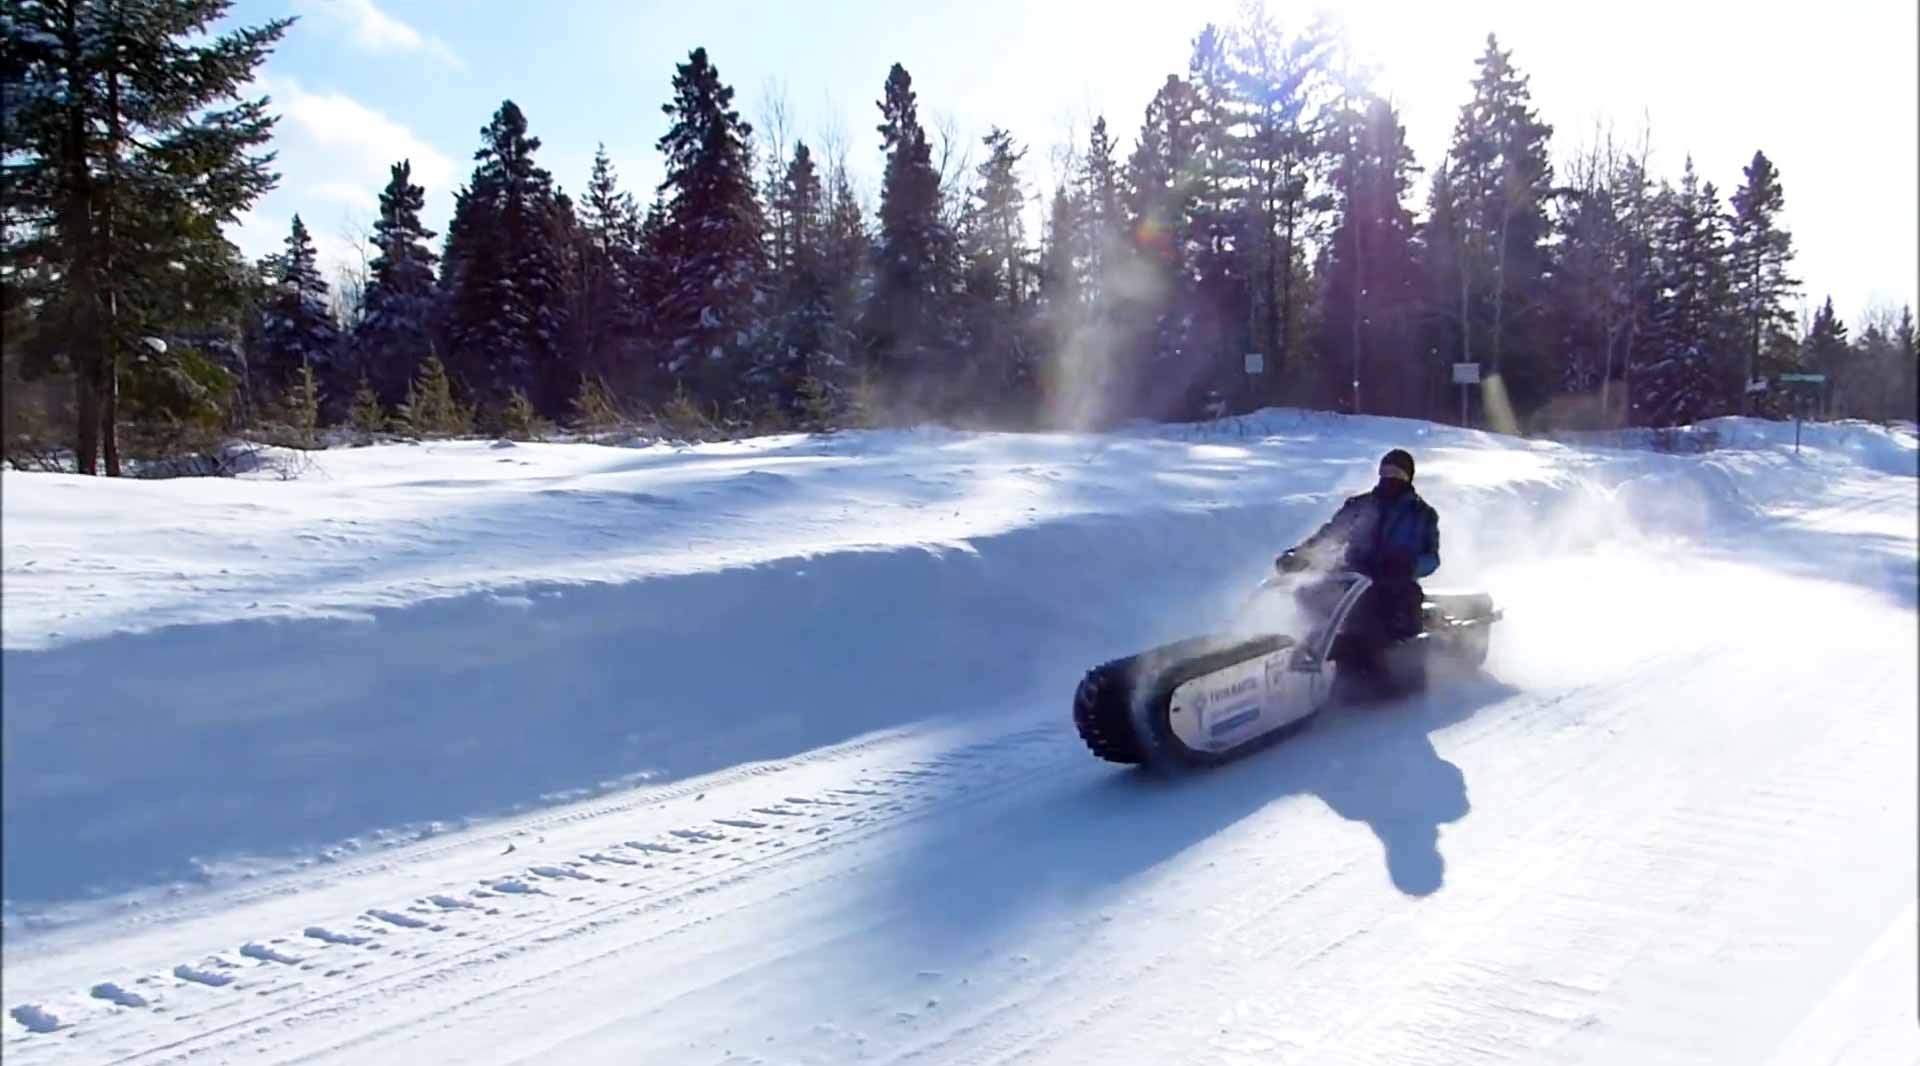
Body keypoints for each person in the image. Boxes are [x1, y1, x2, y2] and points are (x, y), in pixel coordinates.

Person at [1276, 448, 1439, 665]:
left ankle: (1363, 671)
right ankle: (1296, 651)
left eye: (1396, 474)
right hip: (1354, 578)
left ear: (1408, 477)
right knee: (1309, 594)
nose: (1390, 478)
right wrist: (1300, 554)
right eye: (1385, 473)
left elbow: (1432, 559)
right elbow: (1330, 534)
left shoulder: (1421, 514)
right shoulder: (1361, 505)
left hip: (1395, 584)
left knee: (1373, 615)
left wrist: (1409, 565)